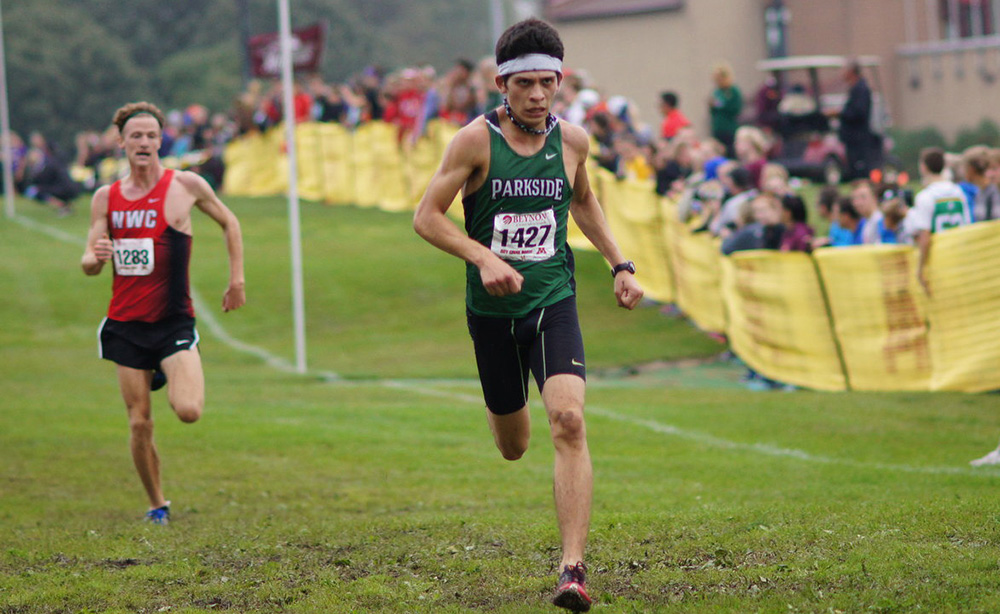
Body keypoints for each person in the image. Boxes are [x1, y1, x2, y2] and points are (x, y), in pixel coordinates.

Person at [412, 18, 643, 612]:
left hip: (551, 301)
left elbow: (584, 200)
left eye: (549, 83)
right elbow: (427, 217)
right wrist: (482, 256)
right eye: (526, 85)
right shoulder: (472, 142)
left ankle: (572, 570)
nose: (539, 95)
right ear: (501, 84)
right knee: (514, 445)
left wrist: (620, 264)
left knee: (568, 420)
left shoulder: (572, 141)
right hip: (491, 313)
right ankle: (506, 411)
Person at [80, 102, 246, 525]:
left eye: (152, 135)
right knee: (139, 424)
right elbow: (89, 261)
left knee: (188, 410)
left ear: (161, 141)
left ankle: (168, 367)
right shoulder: (107, 198)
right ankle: (157, 504)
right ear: (121, 143)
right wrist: (96, 257)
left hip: (173, 322)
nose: (144, 143)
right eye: (136, 135)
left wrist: (236, 280)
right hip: (126, 324)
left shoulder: (185, 185)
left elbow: (230, 222)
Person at [908, 147, 971, 295]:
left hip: (939, 260)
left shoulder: (925, 196)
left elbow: (925, 236)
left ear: (923, 167)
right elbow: (967, 225)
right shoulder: (958, 191)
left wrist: (920, 268)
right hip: (959, 256)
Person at [834, 61, 874, 181]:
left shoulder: (861, 89)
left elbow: (859, 112)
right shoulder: (854, 88)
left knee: (859, 167)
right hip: (852, 137)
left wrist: (840, 113)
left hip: (858, 136)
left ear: (851, 72)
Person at [708, 62, 743, 158]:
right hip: (718, 128)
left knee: (730, 152)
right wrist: (712, 106)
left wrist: (720, 105)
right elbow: (713, 112)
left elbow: (736, 109)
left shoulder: (733, 91)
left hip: (729, 128)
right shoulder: (716, 92)